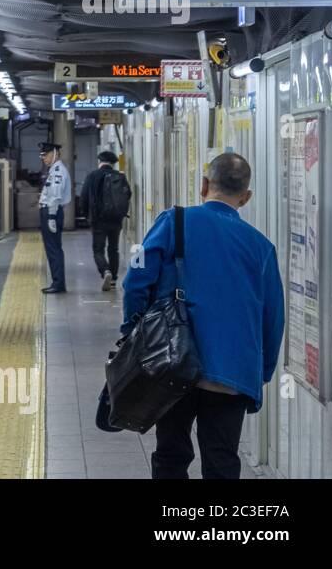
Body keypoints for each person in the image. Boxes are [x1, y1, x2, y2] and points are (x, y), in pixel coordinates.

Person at [121, 152, 284, 479]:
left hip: (172, 366)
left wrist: (132, 333)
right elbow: (273, 318)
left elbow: (135, 279)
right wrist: (261, 372)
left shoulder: (172, 221)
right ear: (246, 196)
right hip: (233, 371)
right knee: (222, 460)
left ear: (204, 185)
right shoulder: (262, 248)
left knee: (170, 454)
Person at [79, 150, 130, 291]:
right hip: (116, 219)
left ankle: (105, 270)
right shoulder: (120, 176)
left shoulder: (92, 176)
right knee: (114, 249)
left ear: (100, 162)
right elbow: (128, 195)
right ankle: (113, 279)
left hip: (98, 220)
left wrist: (85, 215)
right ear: (113, 163)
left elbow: (83, 197)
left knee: (98, 250)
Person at [37, 141, 72, 294]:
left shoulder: (58, 171)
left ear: (54, 154)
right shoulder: (54, 170)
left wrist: (51, 216)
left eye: (45, 155)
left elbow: (56, 196)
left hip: (52, 212)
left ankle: (58, 284)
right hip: (51, 212)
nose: (43, 158)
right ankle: (57, 282)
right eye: (42, 155)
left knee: (53, 249)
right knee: (52, 248)